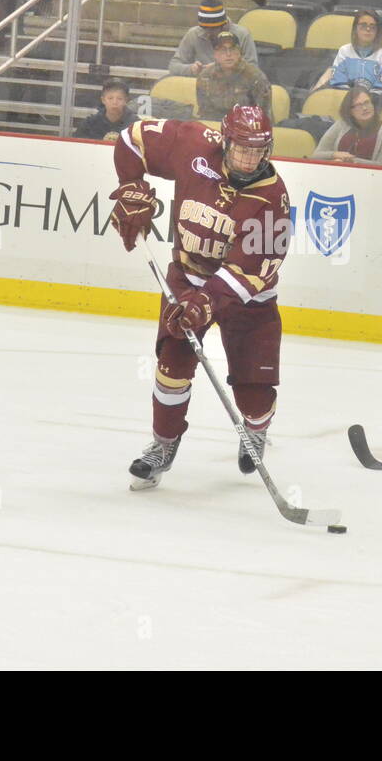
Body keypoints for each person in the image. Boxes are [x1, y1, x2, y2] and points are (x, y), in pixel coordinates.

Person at [108, 106, 291, 488]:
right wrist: (130, 185)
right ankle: (163, 445)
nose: (249, 158)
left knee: (253, 394)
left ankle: (256, 429)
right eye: (241, 148)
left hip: (247, 300)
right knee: (172, 368)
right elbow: (131, 139)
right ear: (224, 141)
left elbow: (249, 272)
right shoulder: (192, 144)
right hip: (187, 277)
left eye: (257, 150)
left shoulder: (272, 199)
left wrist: (206, 301)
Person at [168, 0, 259, 77]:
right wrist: (191, 69)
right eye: (204, 28)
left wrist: (223, 68)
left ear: (224, 26)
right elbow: (173, 66)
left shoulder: (243, 35)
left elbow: (253, 70)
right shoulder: (194, 34)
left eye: (212, 29)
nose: (207, 33)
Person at [197, 29, 272, 121]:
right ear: (215, 55)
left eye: (232, 49)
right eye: (223, 50)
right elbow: (205, 115)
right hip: (215, 128)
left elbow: (264, 117)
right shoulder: (205, 77)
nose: (228, 54)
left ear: (239, 53)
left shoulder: (255, 77)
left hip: (247, 128)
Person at [313, 85, 382, 165]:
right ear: (349, 110)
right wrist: (335, 155)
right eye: (358, 105)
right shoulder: (341, 125)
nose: (365, 108)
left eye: (367, 102)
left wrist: (352, 161)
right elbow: (316, 155)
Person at [312, 9, 382, 93]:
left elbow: (381, 89)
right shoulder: (344, 51)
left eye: (373, 26)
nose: (368, 29)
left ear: (377, 31)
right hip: (345, 99)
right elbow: (338, 83)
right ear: (355, 28)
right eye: (363, 25)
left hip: (373, 102)